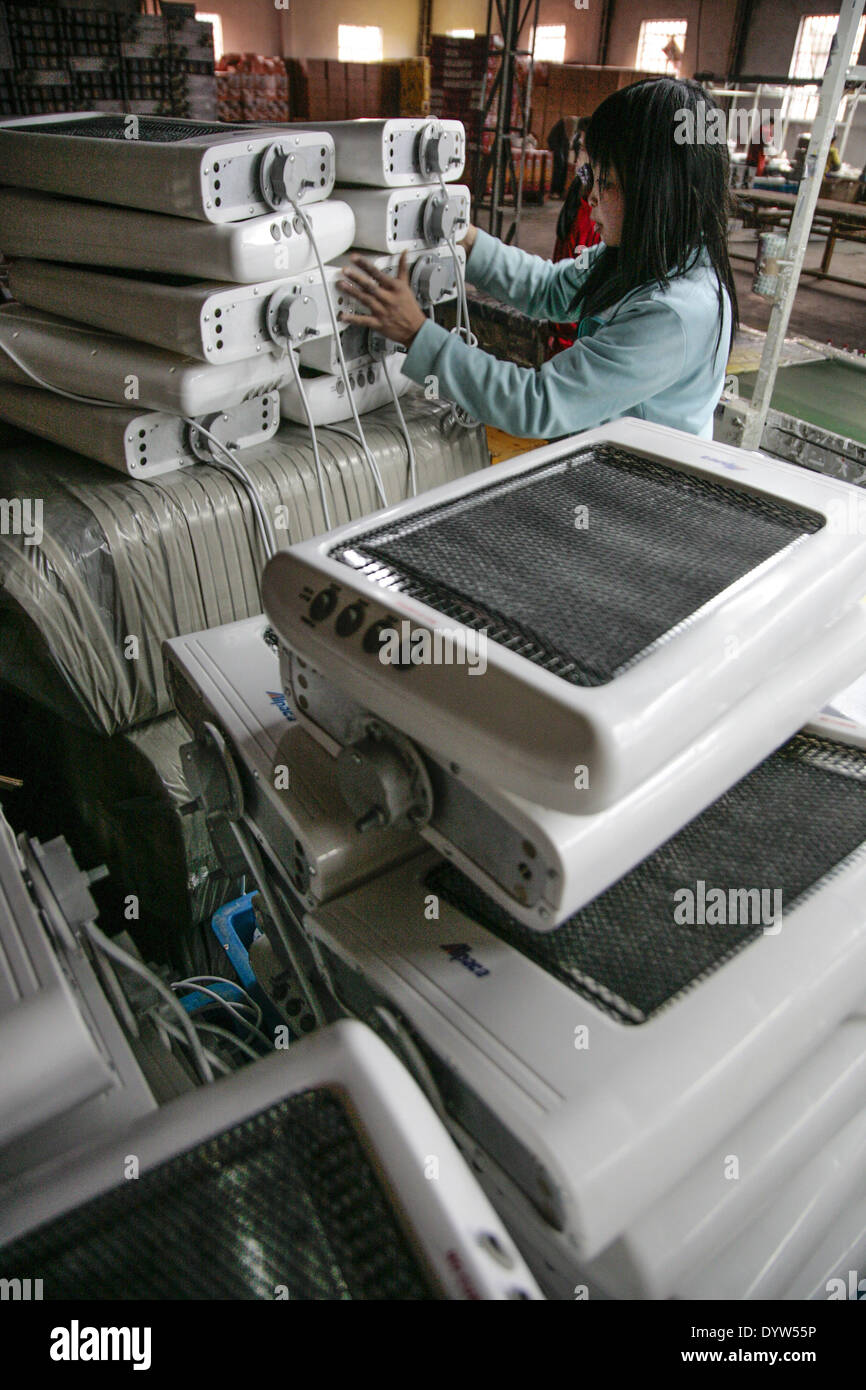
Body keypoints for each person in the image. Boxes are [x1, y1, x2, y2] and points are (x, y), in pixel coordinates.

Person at [337, 77, 739, 443]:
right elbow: (550, 288)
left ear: (659, 193)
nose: (591, 197)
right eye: (591, 178)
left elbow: (539, 404)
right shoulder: (644, 254)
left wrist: (418, 335)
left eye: (607, 182)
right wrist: (464, 236)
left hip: (638, 501)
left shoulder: (674, 315)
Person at [548, 116, 601, 356]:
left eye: (582, 150)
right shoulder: (580, 206)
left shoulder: (591, 214)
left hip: (568, 340)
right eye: (577, 148)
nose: (577, 159)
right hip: (563, 338)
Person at [547, 114, 579, 197]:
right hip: (556, 143)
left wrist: (576, 157)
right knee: (559, 165)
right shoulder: (565, 123)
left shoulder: (578, 129)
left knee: (564, 167)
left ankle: (560, 191)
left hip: (564, 145)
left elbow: (576, 144)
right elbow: (552, 138)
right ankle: (554, 191)